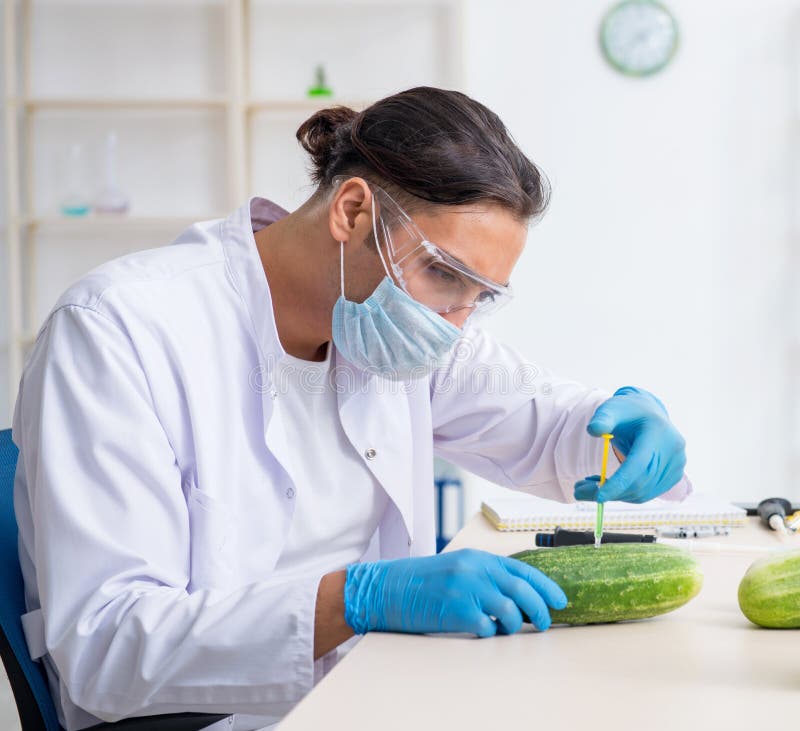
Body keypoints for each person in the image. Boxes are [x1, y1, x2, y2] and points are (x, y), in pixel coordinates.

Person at [12, 86, 690, 731]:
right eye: (445, 273)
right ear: (353, 211)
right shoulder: (119, 331)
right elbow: (104, 646)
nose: (454, 322)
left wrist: (622, 425)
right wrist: (359, 598)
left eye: (479, 295)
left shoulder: (395, 326)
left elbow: (544, 417)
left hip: (373, 690)